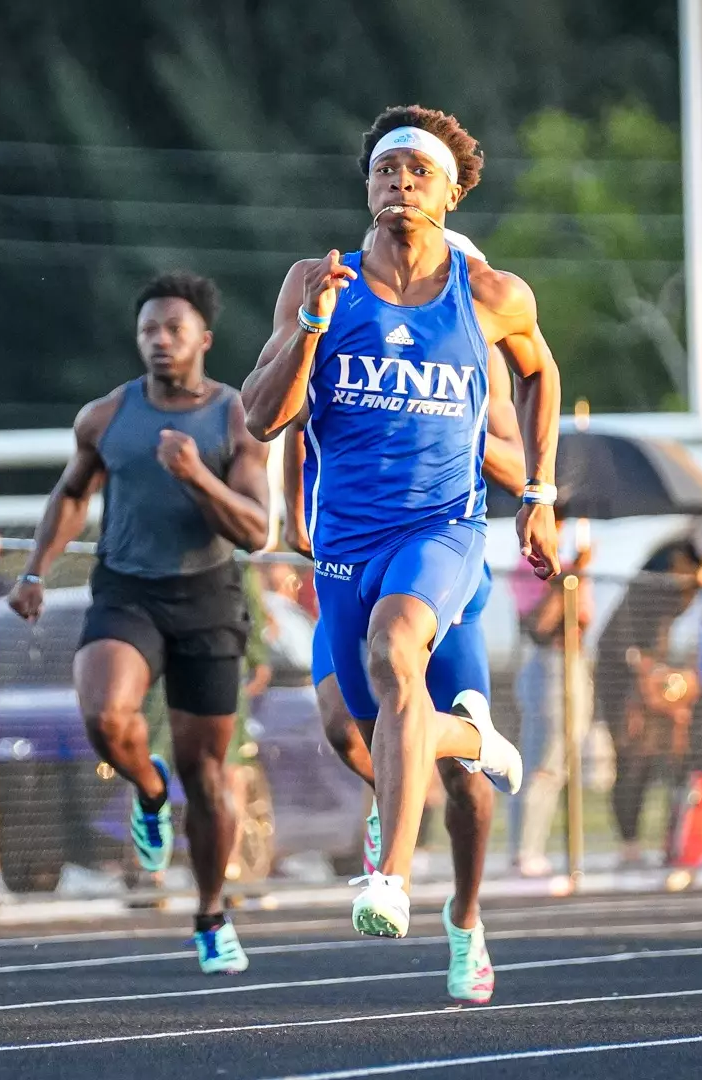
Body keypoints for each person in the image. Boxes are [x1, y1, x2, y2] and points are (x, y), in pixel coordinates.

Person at [240, 104, 560, 949]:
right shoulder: (320, 279)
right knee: (369, 724)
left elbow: (540, 372)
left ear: (450, 195)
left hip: (443, 533)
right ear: (368, 186)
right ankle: (470, 735)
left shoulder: (489, 294)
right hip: (347, 545)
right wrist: (309, 324)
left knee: (393, 659)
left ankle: (412, 889)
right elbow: (263, 417)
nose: (400, 184)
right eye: (387, 170)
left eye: (419, 173)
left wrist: (540, 490)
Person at [281, 235, 527, 998]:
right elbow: (292, 423)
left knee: (464, 785)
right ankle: (401, 787)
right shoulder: (339, 310)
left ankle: (466, 919)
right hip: (352, 551)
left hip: (439, 575)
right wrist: (291, 513)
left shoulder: (474, 346)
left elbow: (520, 467)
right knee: (339, 720)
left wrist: (446, 429)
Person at [11, 272, 270, 974]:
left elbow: (255, 528)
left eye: (173, 329)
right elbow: (71, 494)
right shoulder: (106, 415)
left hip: (209, 598)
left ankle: (212, 915)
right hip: (128, 589)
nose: (159, 340)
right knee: (104, 714)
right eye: (148, 329)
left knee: (209, 774)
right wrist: (35, 570)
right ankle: (149, 790)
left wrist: (196, 476)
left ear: (203, 340)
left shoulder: (236, 417)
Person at [600, 512, 702, 866]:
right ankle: (629, 843)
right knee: (635, 757)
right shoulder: (673, 557)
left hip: (671, 670)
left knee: (676, 759)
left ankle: (677, 839)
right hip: (630, 668)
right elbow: (651, 605)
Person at [509, 539, 592, 879]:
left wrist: (580, 575)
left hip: (575, 662)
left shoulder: (578, 570)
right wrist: (566, 581)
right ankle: (523, 851)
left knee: (559, 764)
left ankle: (535, 850)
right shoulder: (525, 568)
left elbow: (583, 620)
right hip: (548, 665)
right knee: (540, 764)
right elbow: (540, 627)